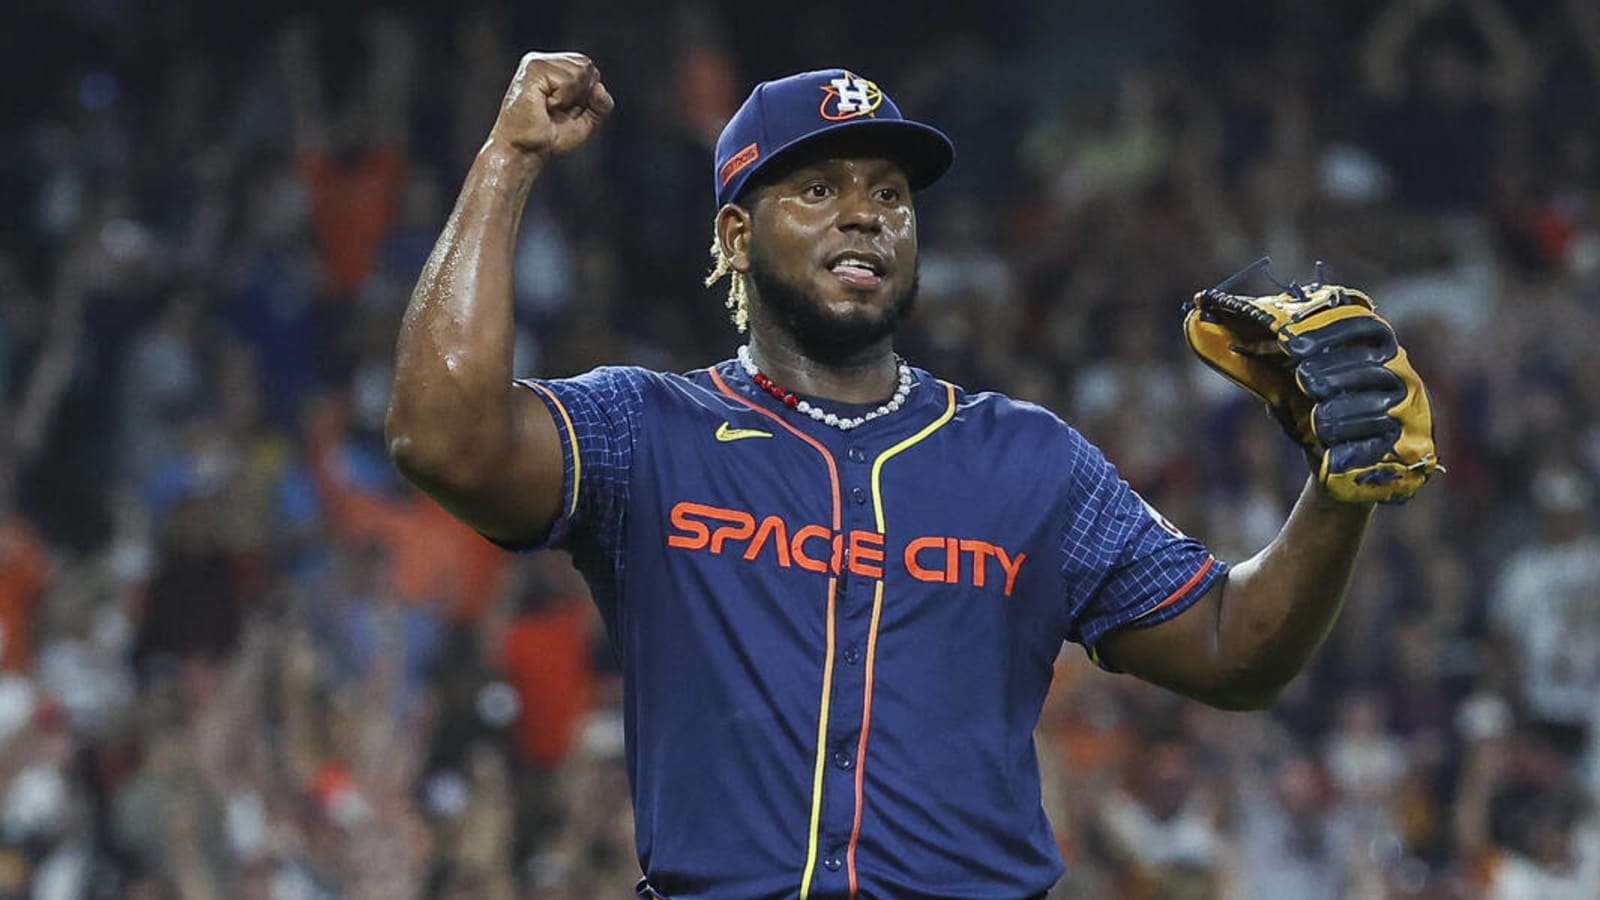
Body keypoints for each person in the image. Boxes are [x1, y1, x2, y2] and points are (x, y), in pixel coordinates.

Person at [385, 52, 1429, 899]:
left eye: (889, 192)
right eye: (819, 188)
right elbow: (442, 440)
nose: (865, 213)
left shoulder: (1028, 459)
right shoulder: (647, 431)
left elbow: (1232, 649)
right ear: (736, 235)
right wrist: (508, 159)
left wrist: (1338, 493)